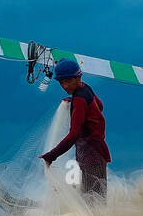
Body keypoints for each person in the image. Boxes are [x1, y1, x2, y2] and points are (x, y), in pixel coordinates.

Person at [40, 59, 111, 200]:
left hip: (91, 154)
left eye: (68, 81)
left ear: (78, 77)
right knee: (96, 196)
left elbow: (74, 134)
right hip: (97, 151)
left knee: (93, 200)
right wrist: (74, 100)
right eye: (61, 83)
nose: (65, 86)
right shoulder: (85, 88)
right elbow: (100, 105)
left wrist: (51, 156)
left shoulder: (79, 99)